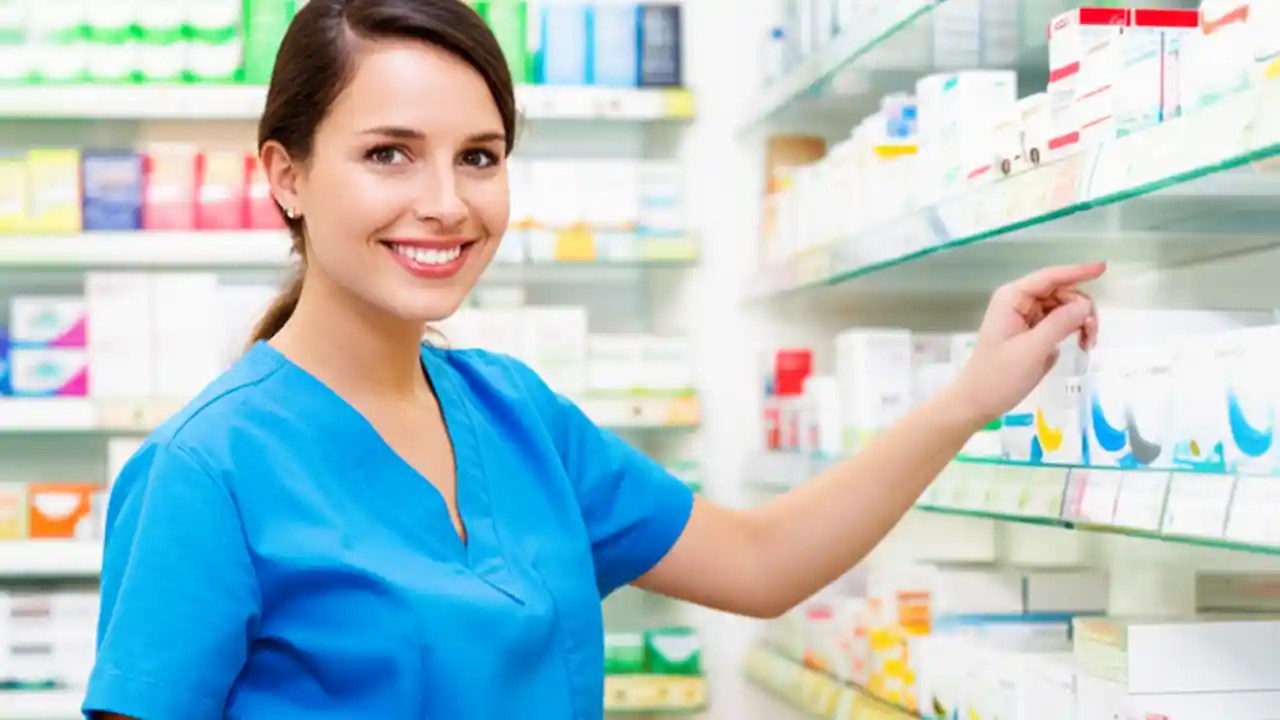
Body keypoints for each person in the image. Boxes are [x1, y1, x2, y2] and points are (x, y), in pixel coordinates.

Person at [81, 1, 1103, 718]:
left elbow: (758, 563)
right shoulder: (204, 471)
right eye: (389, 153)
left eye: (479, 157)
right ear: (287, 176)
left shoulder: (515, 414)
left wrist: (971, 396)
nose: (446, 201)